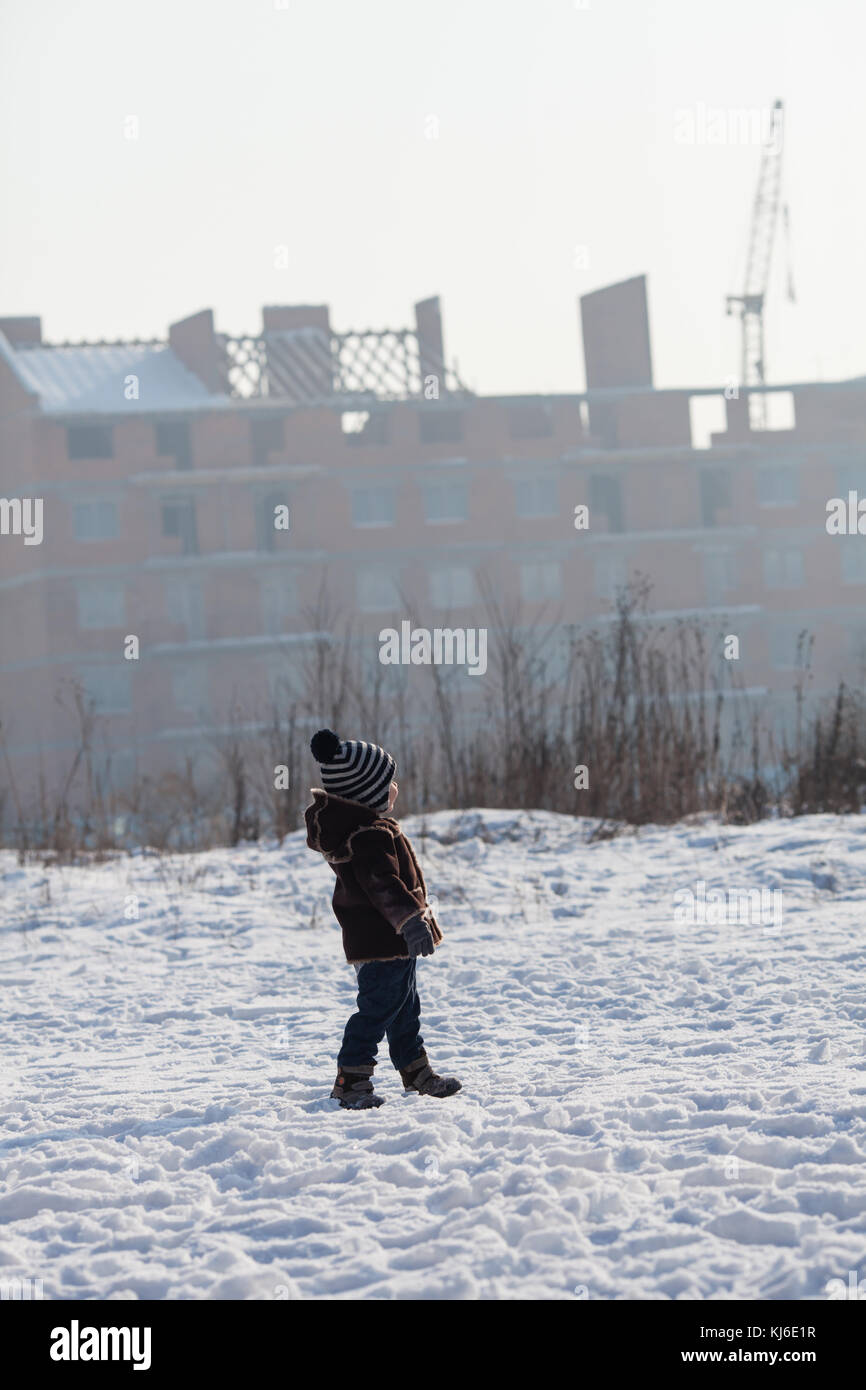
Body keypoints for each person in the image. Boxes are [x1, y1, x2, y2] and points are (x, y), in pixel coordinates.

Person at [305, 728, 462, 1109]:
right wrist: (409, 921)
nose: (393, 788)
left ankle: (416, 1071)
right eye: (386, 782)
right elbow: (383, 885)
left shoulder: (365, 832)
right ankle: (351, 1080)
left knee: (404, 1007)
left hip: (388, 943)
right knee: (378, 1010)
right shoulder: (368, 838)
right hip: (383, 941)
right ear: (367, 792)